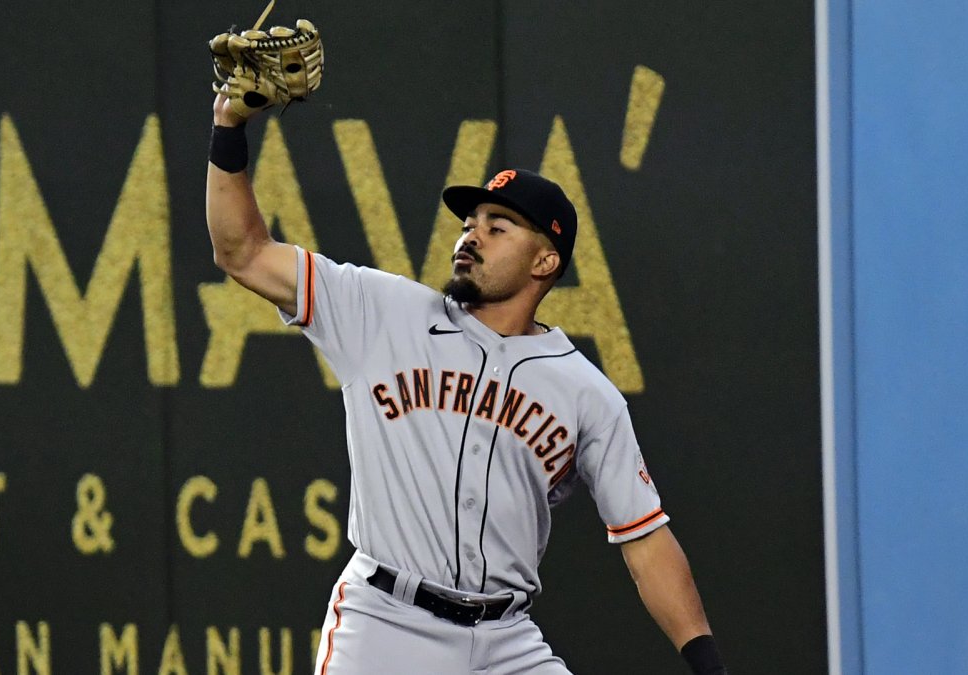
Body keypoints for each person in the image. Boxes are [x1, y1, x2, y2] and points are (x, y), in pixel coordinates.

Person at [206, 92, 727, 675]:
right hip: (386, 625)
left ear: (544, 263)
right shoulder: (382, 312)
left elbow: (644, 538)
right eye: (468, 223)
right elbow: (243, 252)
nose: (470, 236)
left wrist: (705, 661)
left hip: (506, 640)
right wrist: (229, 127)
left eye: (496, 226)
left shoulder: (587, 393)